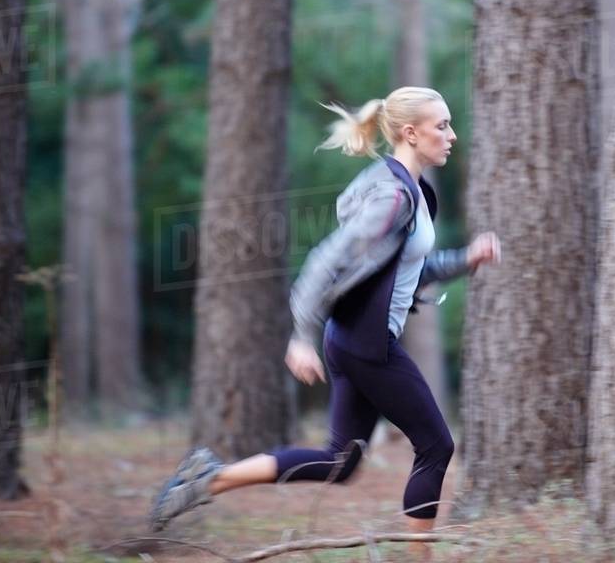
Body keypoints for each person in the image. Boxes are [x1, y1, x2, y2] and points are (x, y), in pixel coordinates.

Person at [149, 87, 501, 546]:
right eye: (442, 126)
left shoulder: (414, 193)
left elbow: (407, 273)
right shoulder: (392, 198)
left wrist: (464, 259)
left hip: (352, 339)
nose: (452, 135)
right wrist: (300, 336)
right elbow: (323, 262)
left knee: (339, 462)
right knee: (436, 446)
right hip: (365, 344)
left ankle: (207, 479)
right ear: (411, 134)